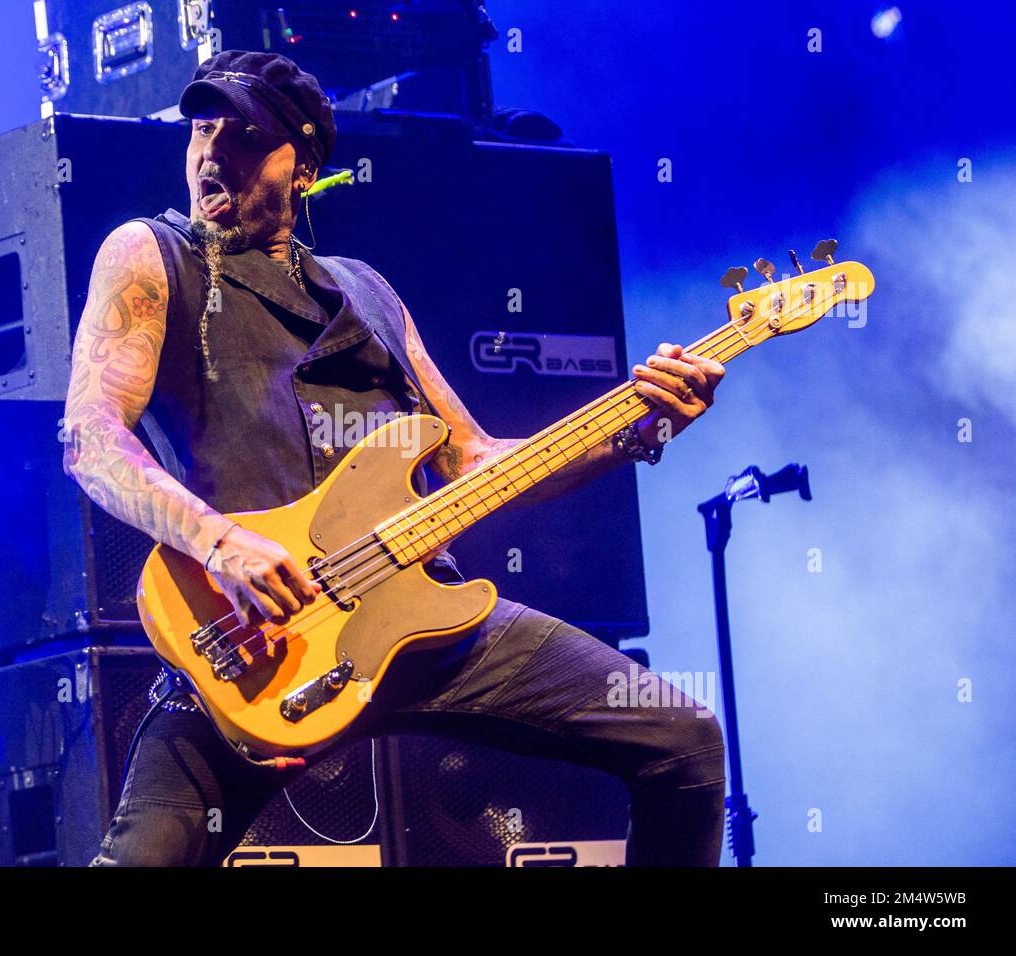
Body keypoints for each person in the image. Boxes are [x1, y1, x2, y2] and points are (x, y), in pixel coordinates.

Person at [63, 51, 727, 866]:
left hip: (420, 620)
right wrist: (219, 542)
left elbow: (474, 461)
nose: (211, 152)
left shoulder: (366, 290)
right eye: (202, 128)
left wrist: (637, 426)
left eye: (244, 135)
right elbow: (90, 438)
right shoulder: (149, 255)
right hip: (252, 643)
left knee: (684, 740)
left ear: (303, 166)